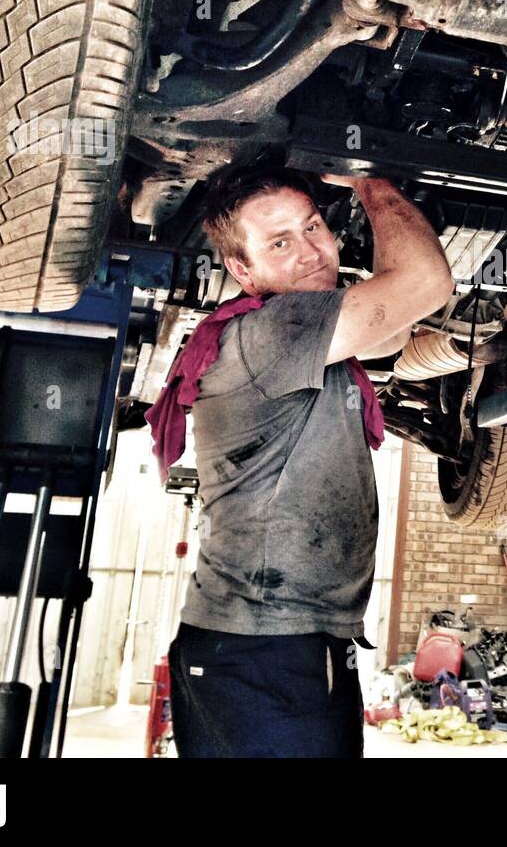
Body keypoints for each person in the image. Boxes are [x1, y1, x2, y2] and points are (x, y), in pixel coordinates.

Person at [148, 162, 453, 757]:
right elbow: (423, 282)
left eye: (313, 227)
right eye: (279, 243)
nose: (311, 252)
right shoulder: (275, 330)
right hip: (261, 653)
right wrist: (372, 182)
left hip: (281, 646)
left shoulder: (298, 331)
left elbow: (390, 334)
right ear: (243, 270)